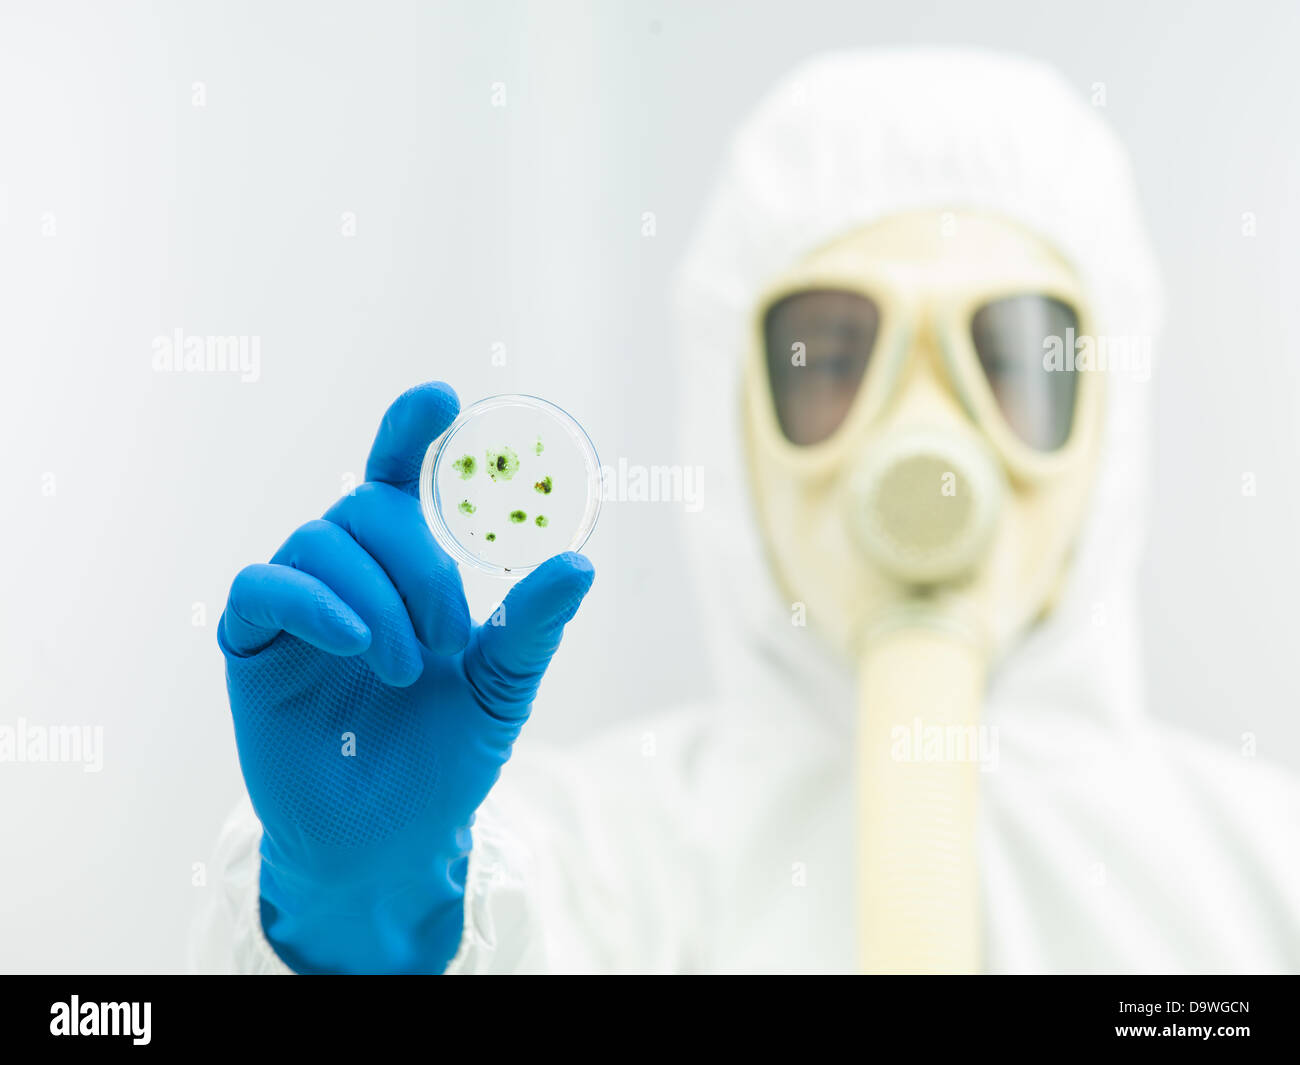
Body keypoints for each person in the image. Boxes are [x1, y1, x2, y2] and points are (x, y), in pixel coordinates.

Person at [192, 49, 1300, 974]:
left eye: (1007, 357)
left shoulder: (1265, 877)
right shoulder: (587, 865)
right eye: (834, 356)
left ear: (1106, 423)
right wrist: (361, 920)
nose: (925, 437)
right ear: (734, 425)